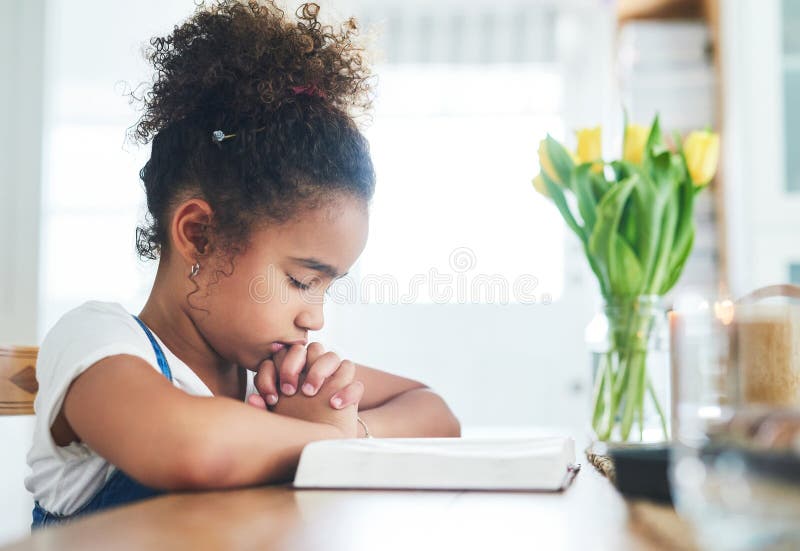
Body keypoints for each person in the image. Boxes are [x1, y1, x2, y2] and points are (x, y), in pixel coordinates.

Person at [26, 0, 460, 529]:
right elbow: (193, 448)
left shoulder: (275, 380)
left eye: (327, 287)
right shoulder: (96, 341)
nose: (315, 317)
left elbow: (435, 413)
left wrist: (342, 428)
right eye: (301, 280)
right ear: (199, 235)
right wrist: (329, 437)